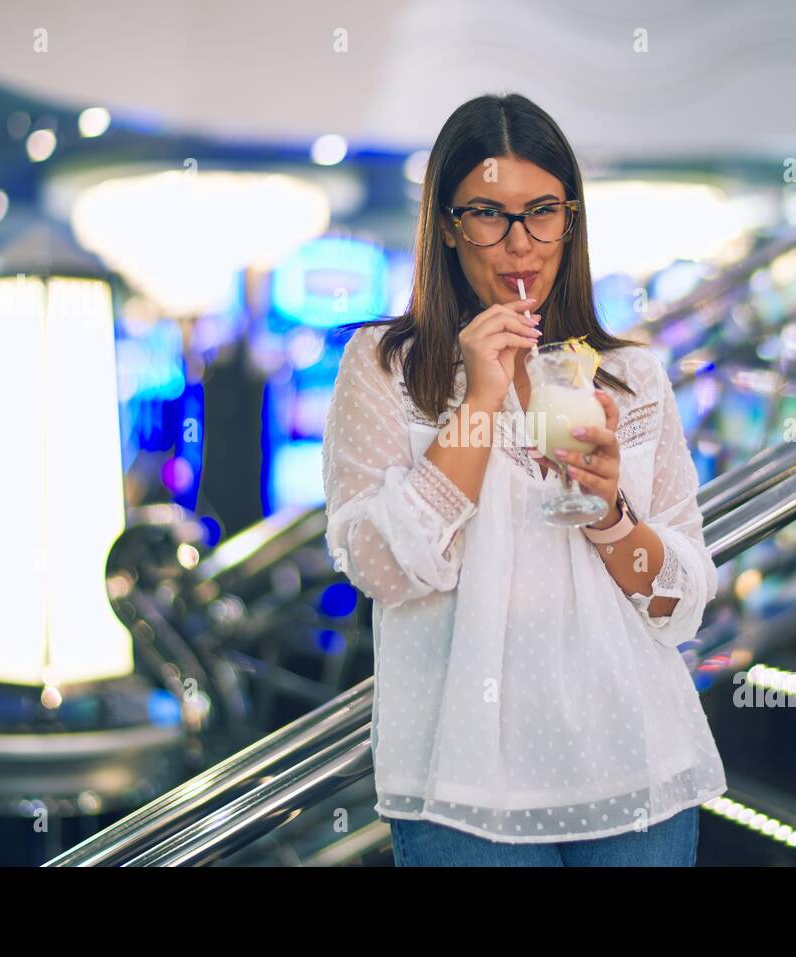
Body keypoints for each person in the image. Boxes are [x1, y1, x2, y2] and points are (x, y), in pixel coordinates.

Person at [322, 92, 726, 866]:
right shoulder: (384, 368)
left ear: (570, 219)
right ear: (447, 224)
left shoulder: (631, 378)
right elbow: (378, 567)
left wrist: (611, 512)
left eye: (542, 211)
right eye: (488, 214)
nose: (519, 243)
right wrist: (476, 401)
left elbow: (680, 602)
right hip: (464, 781)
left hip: (634, 761)